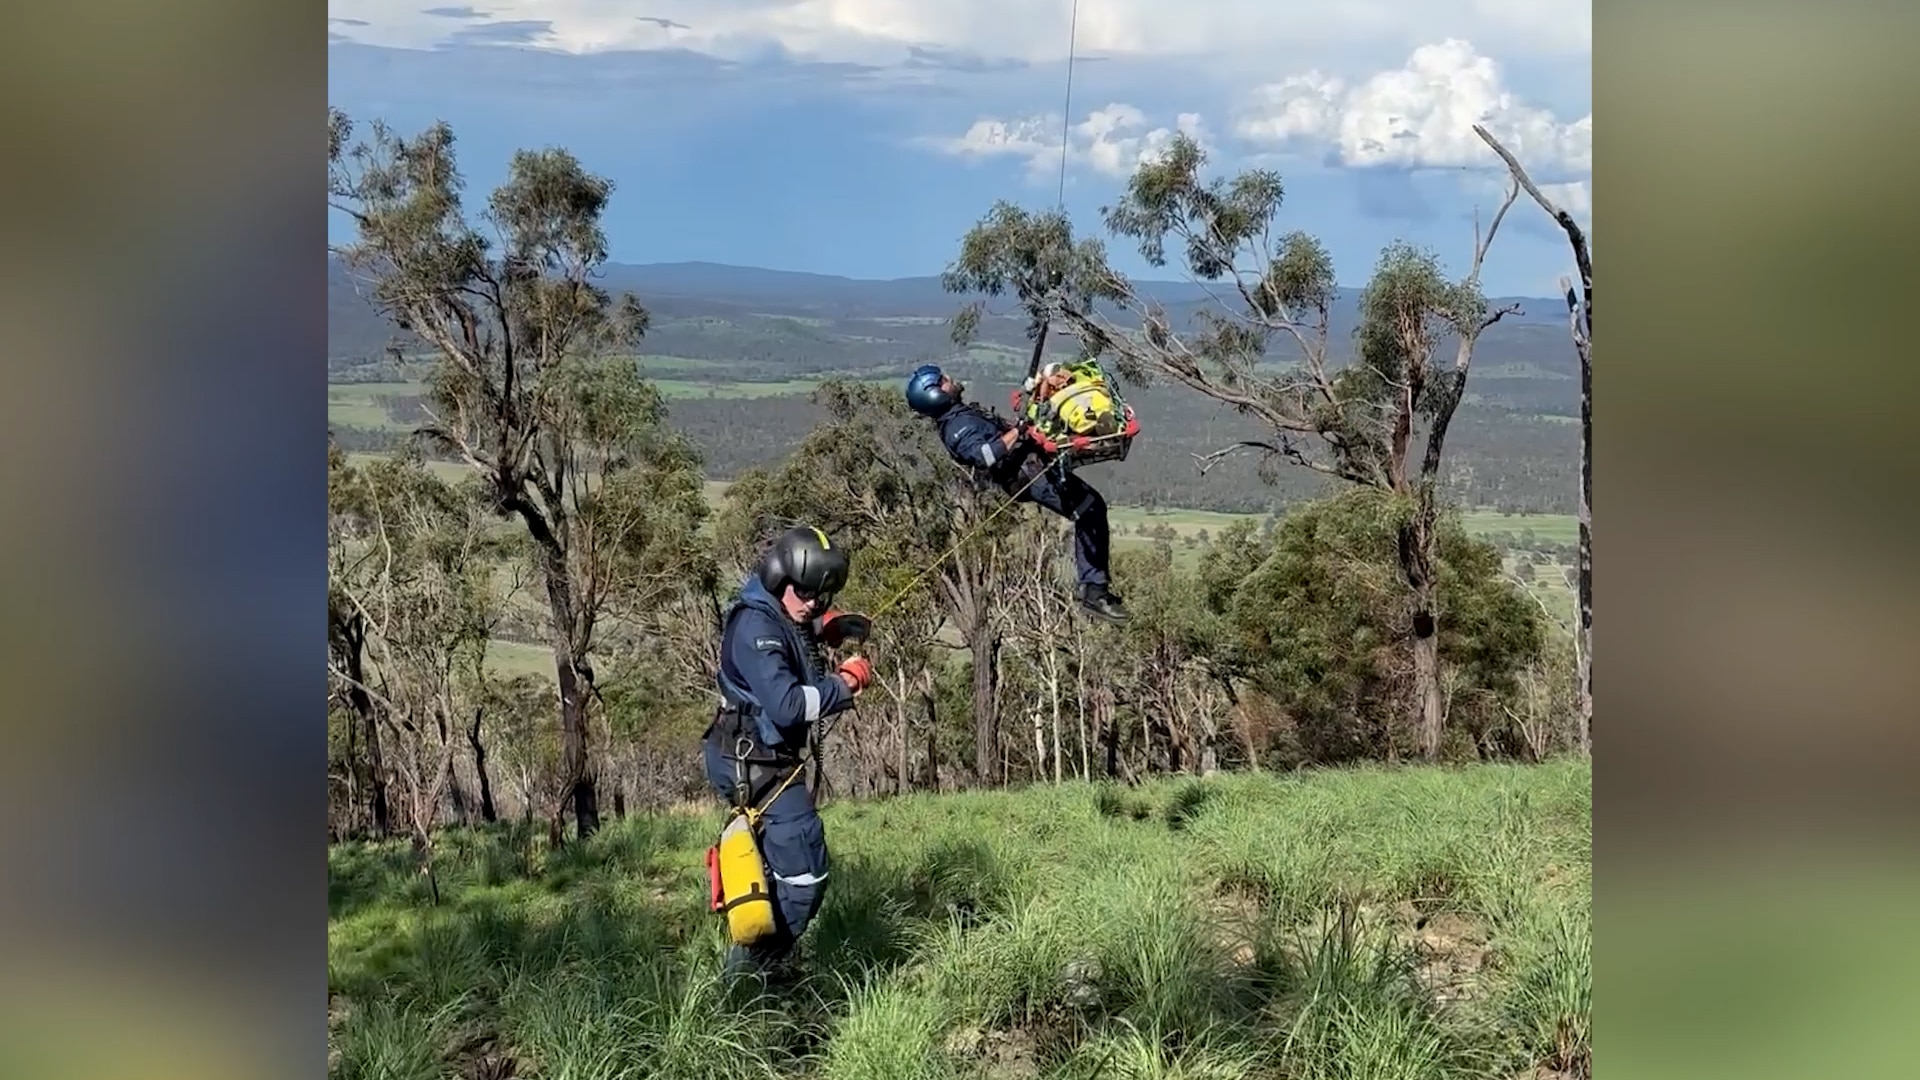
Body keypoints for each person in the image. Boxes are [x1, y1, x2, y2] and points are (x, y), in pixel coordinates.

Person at [703, 525, 874, 984]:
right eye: (808, 593)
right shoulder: (755, 625)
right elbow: (787, 705)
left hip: (754, 754)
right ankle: (751, 975)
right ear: (780, 578)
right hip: (758, 762)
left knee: (773, 871)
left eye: (823, 594)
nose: (814, 602)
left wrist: (825, 626)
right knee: (805, 876)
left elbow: (795, 628)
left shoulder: (776, 607)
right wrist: (845, 684)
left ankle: (757, 968)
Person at [904, 363, 1126, 621]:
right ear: (934, 393)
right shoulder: (956, 428)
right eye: (943, 380)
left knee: (1091, 507)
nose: (950, 379)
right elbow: (983, 455)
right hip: (1029, 476)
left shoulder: (959, 415)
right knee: (1089, 508)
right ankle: (1095, 594)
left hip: (1031, 468)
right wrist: (1017, 432)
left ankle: (1095, 590)